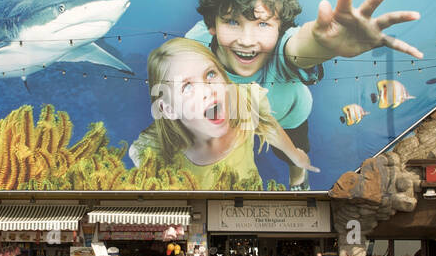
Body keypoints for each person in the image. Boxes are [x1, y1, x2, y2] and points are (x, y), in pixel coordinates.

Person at [185, 0, 421, 187]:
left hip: (285, 113)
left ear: (280, 27)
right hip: (227, 117)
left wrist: (323, 45)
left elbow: (298, 47)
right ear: (212, 25)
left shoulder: (281, 48)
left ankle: (298, 171)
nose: (247, 40)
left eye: (263, 24)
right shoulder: (195, 46)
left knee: (292, 154)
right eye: (233, 22)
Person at [130, 38, 318, 191]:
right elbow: (138, 153)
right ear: (169, 109)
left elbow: (270, 127)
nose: (208, 90)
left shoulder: (242, 100)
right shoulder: (159, 148)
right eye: (187, 86)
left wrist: (295, 156)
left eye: (210, 74)